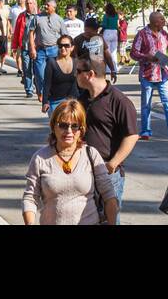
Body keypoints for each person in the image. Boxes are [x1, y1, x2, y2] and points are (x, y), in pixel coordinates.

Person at [22, 99, 118, 225]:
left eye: (74, 126)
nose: (69, 131)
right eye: (63, 125)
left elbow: (109, 196)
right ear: (53, 126)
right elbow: (30, 198)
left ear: (81, 129)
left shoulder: (91, 154)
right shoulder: (40, 158)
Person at [74, 53, 139, 221]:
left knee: (109, 220)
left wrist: (112, 164)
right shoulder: (82, 99)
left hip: (108, 173)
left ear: (90, 74)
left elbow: (132, 135)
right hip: (83, 170)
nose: (75, 75)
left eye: (78, 71)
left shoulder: (119, 101)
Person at [130, 10, 168, 141]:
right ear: (155, 22)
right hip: (147, 73)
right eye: (161, 19)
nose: (164, 21)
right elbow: (133, 53)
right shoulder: (142, 34)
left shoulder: (164, 33)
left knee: (167, 102)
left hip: (163, 73)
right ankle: (145, 131)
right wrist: (146, 57)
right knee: (146, 104)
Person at [30, 0, 64, 103]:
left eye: (48, 5)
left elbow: (64, 36)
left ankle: (50, 94)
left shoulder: (59, 20)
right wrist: (32, 48)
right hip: (40, 50)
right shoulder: (37, 18)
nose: (45, 7)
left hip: (54, 50)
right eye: (45, 5)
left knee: (53, 74)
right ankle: (40, 91)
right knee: (40, 74)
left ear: (54, 7)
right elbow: (31, 33)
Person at [42, 36, 78, 113]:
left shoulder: (77, 62)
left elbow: (81, 84)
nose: (63, 48)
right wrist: (45, 102)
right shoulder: (51, 62)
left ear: (72, 47)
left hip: (73, 102)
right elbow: (47, 84)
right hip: (55, 102)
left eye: (66, 45)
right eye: (60, 46)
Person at [12, 0, 39, 97]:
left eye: (31, 3)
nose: (29, 5)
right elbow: (17, 31)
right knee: (27, 69)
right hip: (25, 47)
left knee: (37, 69)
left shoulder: (39, 16)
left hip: (37, 48)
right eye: (27, 3)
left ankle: (38, 86)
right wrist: (15, 46)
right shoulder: (21, 16)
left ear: (34, 4)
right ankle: (29, 90)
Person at [101, 3, 121, 78]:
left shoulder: (106, 15)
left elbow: (104, 25)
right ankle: (115, 68)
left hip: (107, 32)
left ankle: (108, 69)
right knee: (114, 51)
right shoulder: (116, 15)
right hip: (115, 32)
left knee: (107, 51)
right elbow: (117, 25)